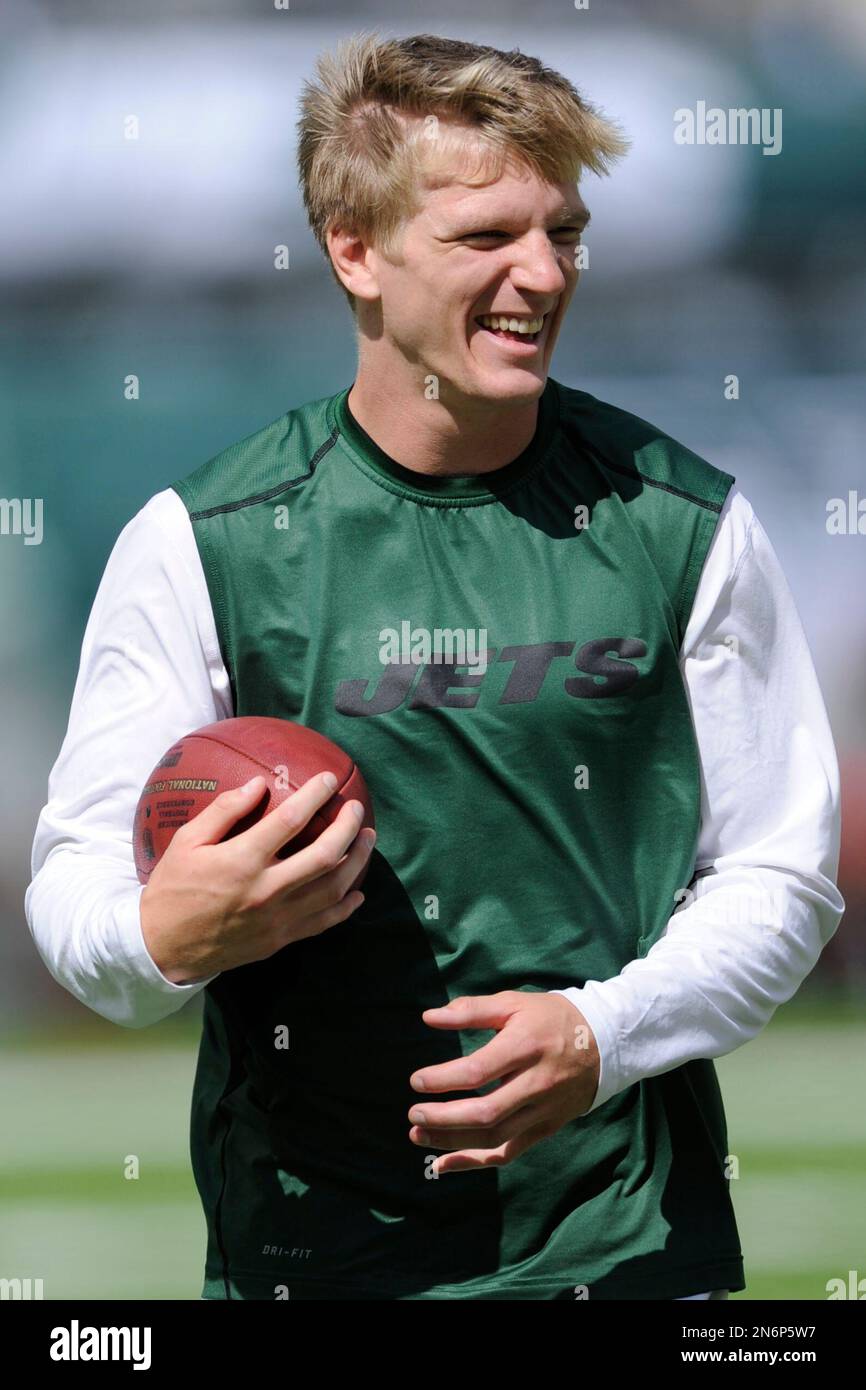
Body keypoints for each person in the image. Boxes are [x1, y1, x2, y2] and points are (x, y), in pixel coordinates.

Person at [26, 32, 844, 1301]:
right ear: (354, 250)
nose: (541, 274)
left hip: (624, 1254)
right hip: (305, 1259)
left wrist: (599, 1032)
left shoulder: (683, 520)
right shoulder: (207, 541)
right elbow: (74, 885)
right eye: (485, 238)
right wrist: (165, 932)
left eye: (562, 233)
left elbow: (782, 874)